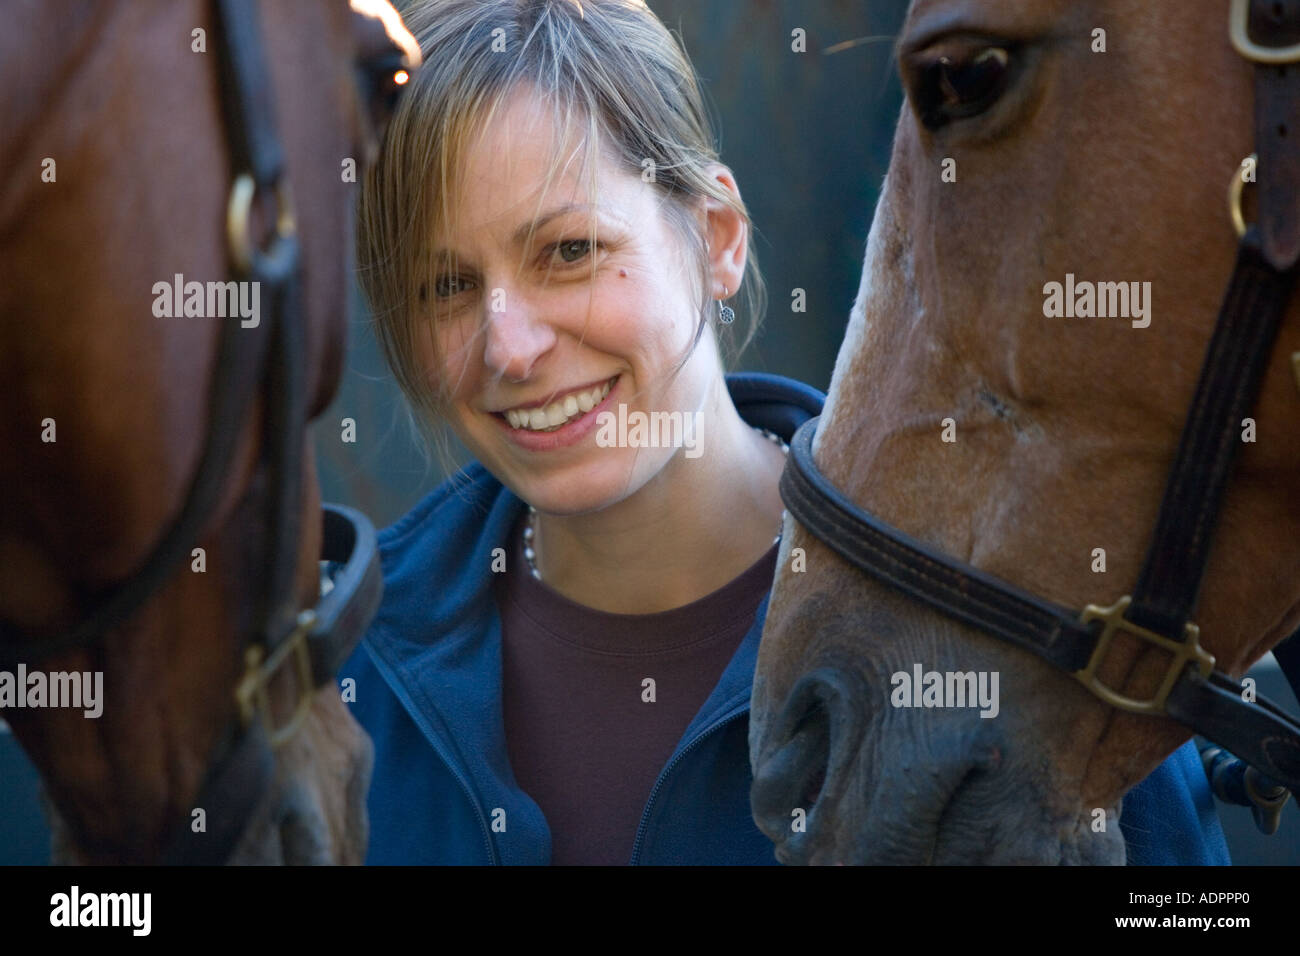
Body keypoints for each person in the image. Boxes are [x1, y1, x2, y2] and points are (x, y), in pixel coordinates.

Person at [341, 0, 1230, 865]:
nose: (511, 346)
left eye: (569, 252)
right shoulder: (339, 677)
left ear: (717, 238)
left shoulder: (1012, 621)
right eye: (445, 287)